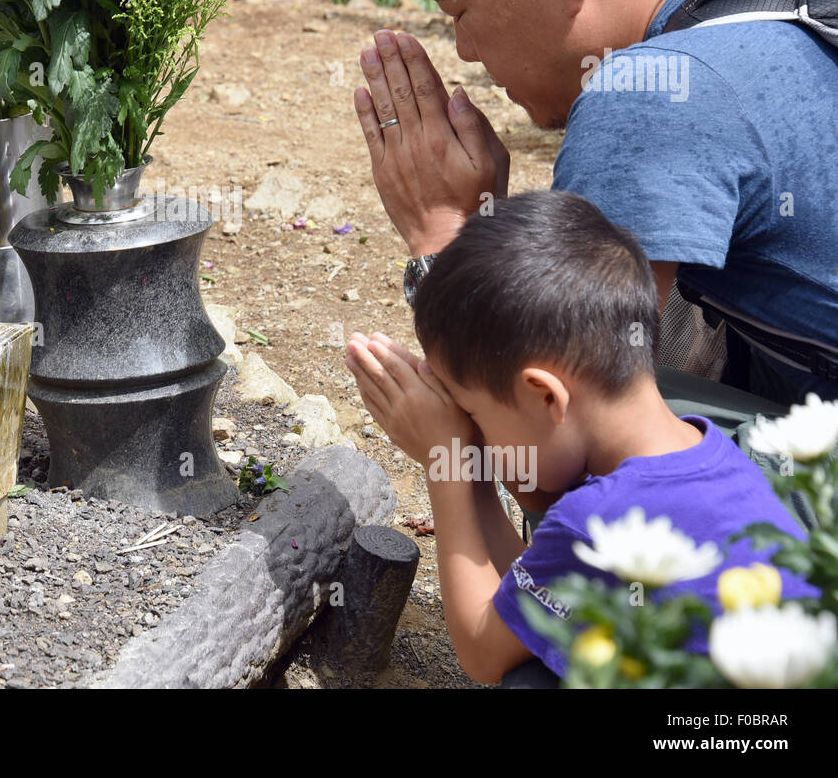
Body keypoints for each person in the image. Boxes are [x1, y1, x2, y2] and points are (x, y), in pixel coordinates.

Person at [354, 0, 838, 408]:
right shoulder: (782, 7)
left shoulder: (646, 97)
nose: (463, 49)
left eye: (459, 11)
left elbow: (555, 432)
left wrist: (446, 236)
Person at [344, 190, 817, 683]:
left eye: (474, 413)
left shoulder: (601, 519)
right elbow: (528, 598)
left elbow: (484, 651)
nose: (473, 432)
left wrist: (444, 463)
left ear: (546, 397)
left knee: (530, 679)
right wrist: (468, 463)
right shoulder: (713, 453)